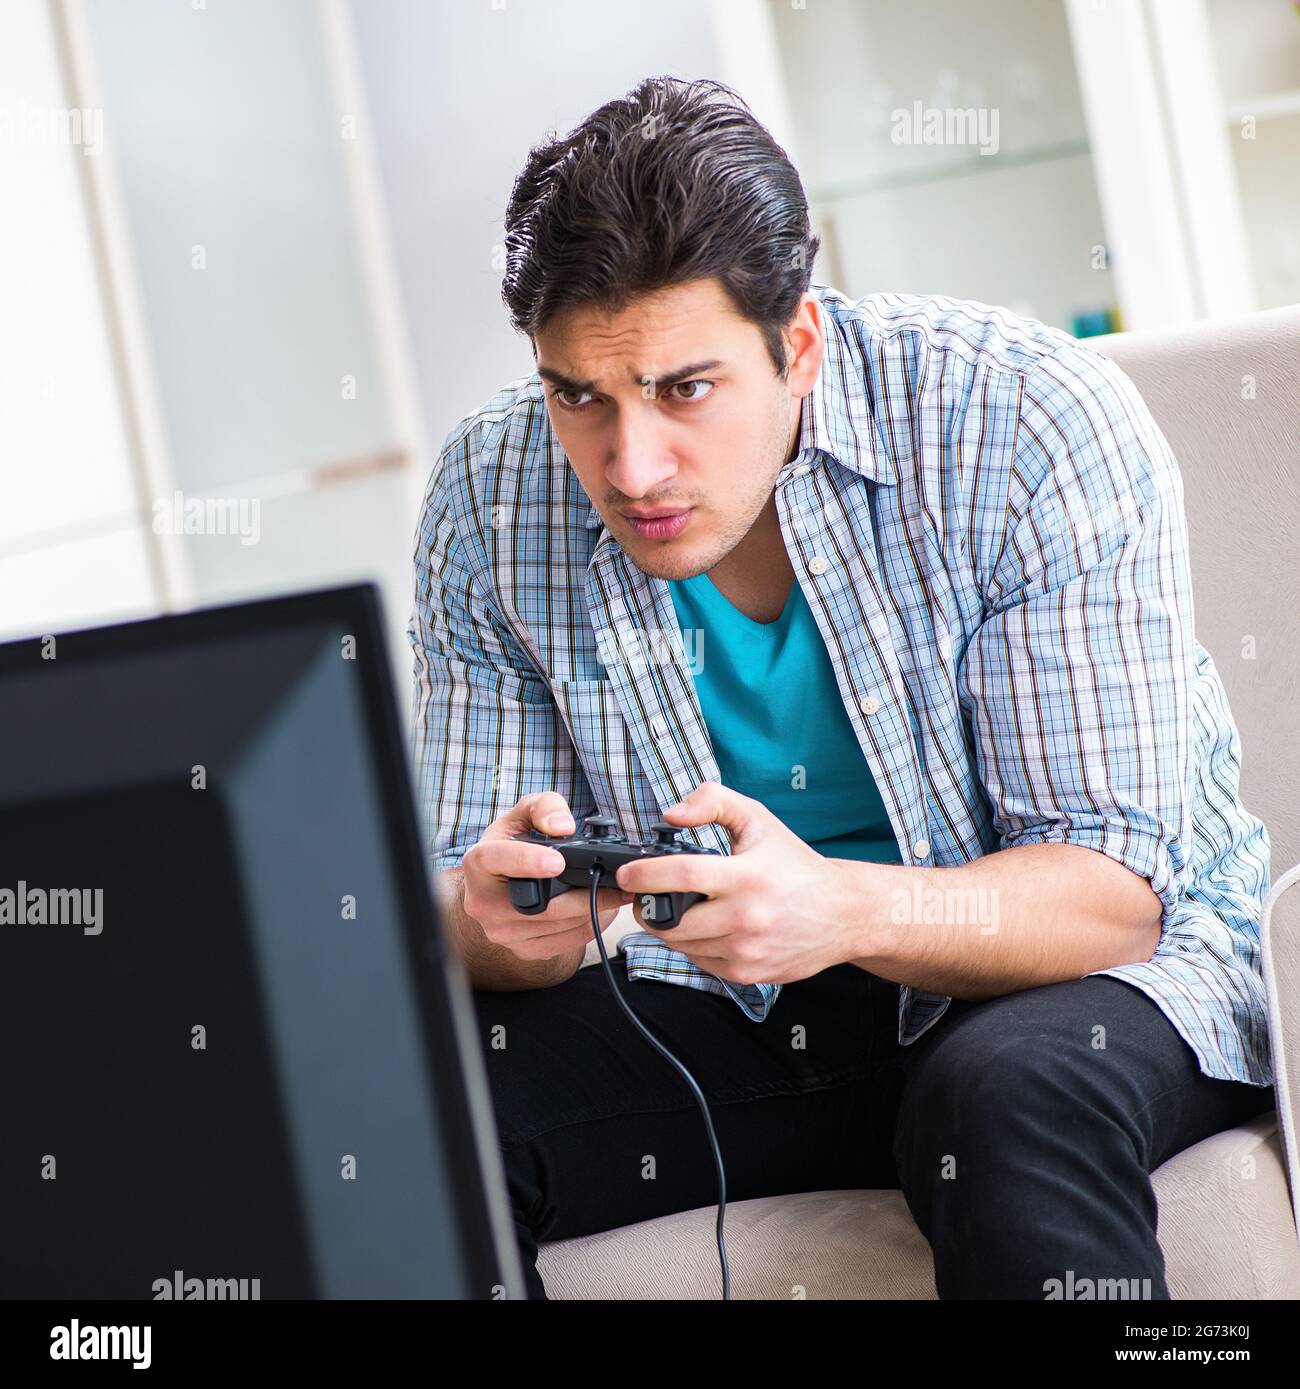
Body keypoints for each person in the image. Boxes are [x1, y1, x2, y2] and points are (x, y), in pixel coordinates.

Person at [407, 75, 1276, 1300]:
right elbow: (459, 903)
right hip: (722, 1001)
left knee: (1006, 1094)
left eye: (683, 388)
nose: (629, 463)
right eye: (579, 396)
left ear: (797, 345)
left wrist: (838, 909)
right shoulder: (489, 496)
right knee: (410, 1117)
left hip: (1076, 983)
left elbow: (1111, 898)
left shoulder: (1024, 416)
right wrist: (492, 925)